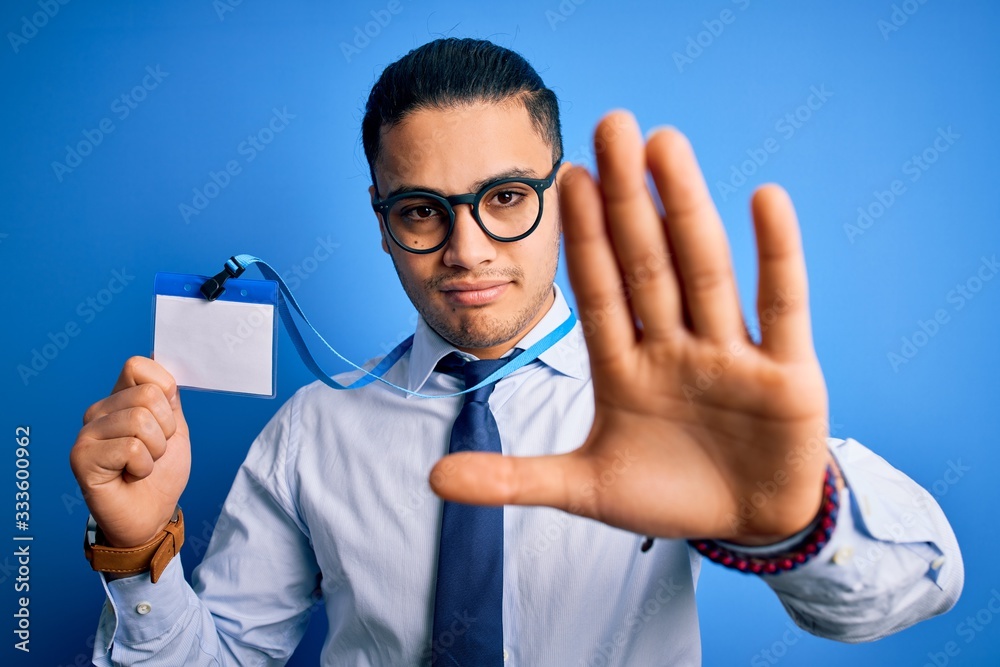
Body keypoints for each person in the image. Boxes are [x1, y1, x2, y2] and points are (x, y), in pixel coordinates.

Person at [71, 37, 962, 666]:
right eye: (421, 209)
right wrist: (138, 547)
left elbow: (924, 580)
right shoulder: (311, 432)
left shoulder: (677, 400)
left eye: (504, 197)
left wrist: (790, 514)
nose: (466, 249)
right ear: (382, 223)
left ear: (561, 199)